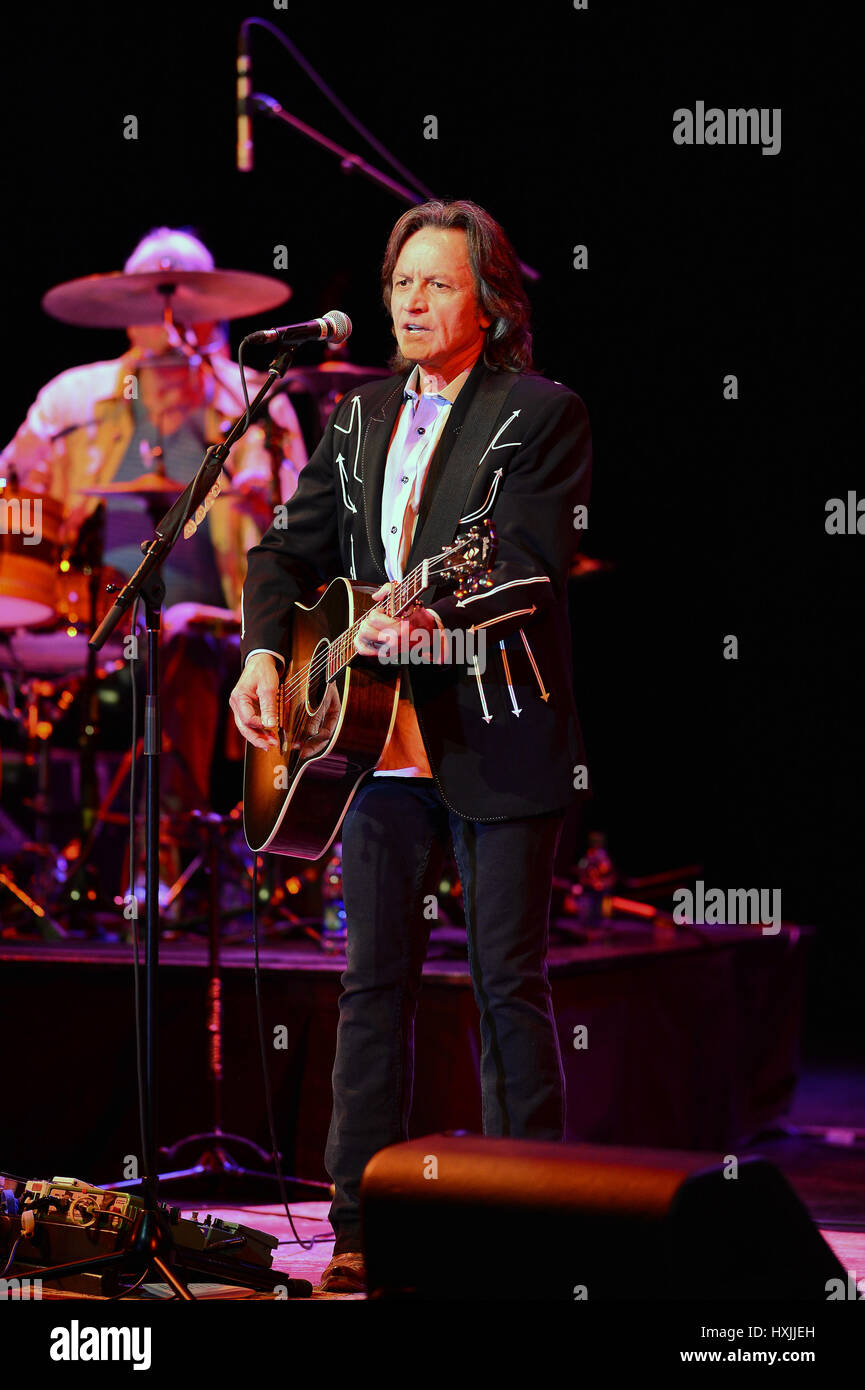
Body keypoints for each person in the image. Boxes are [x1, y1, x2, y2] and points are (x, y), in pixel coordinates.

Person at [230, 200, 592, 1292]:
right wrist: (259, 655)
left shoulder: (540, 411)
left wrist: (436, 619)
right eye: (401, 285)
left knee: (503, 983)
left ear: (490, 299)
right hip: (370, 746)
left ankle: (527, 1221)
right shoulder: (354, 418)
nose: (414, 302)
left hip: (495, 731)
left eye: (437, 283)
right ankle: (356, 1226)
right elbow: (283, 556)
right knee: (369, 987)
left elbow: (528, 564)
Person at [1, 227, 307, 902]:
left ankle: (167, 865)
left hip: (224, 619)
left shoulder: (255, 400)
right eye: (155, 304)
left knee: (180, 646)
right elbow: (15, 505)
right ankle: (29, 864)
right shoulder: (71, 398)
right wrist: (33, 539)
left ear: (218, 313)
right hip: (83, 608)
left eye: (192, 306)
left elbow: (306, 531)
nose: (172, 320)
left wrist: (265, 492)